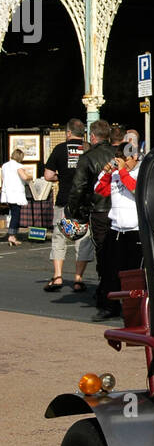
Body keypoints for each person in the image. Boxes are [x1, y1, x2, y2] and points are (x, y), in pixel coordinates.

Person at [42, 118, 95, 291]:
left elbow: (48, 175)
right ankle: (78, 279)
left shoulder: (59, 149)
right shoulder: (88, 149)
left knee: (59, 238)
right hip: (84, 203)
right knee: (83, 240)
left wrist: (61, 177)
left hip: (64, 200)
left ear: (68, 133)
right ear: (83, 134)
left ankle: (57, 277)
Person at [66, 119, 113, 306]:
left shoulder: (87, 157)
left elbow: (78, 187)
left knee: (102, 248)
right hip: (118, 209)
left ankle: (105, 289)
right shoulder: (117, 154)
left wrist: (74, 210)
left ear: (92, 136)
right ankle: (117, 285)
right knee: (119, 249)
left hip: (98, 209)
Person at [92, 142, 142, 320]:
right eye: (120, 159)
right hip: (116, 228)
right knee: (110, 271)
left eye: (126, 160)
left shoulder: (140, 172)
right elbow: (99, 190)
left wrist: (122, 172)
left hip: (134, 231)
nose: (124, 163)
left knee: (133, 273)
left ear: (135, 157)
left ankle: (134, 310)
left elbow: (137, 190)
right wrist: (106, 172)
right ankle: (109, 307)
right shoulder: (114, 174)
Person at [1, 147, 33, 245]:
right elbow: (24, 177)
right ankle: (12, 236)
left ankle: (12, 235)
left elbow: (2, 179)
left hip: (7, 192)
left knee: (13, 213)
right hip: (16, 193)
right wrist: (30, 176)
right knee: (16, 215)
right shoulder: (18, 166)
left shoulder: (5, 165)